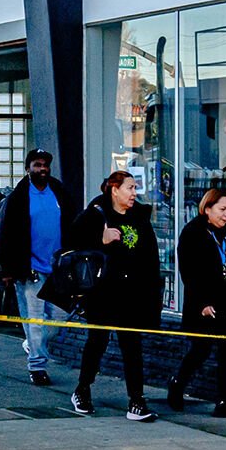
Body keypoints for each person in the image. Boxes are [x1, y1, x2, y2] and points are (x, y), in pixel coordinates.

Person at [69, 170, 162, 421]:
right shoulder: (96, 213)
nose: (134, 193)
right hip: (103, 292)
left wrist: (152, 292)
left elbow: (151, 256)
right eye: (130, 188)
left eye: (135, 189)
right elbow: (72, 240)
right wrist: (100, 238)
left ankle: (136, 401)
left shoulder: (140, 218)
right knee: (97, 342)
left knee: (132, 347)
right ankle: (83, 389)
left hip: (132, 293)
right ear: (114, 190)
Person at [0, 148, 76, 385]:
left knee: (59, 317)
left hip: (59, 268)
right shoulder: (18, 197)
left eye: (45, 165)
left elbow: (73, 223)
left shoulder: (59, 192)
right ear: (28, 167)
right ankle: (37, 367)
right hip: (30, 270)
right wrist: (8, 271)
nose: (42, 169)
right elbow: (5, 235)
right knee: (35, 319)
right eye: (37, 165)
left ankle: (32, 344)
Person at [169, 189, 226, 419]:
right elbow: (189, 272)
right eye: (222, 210)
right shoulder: (193, 233)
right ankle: (177, 383)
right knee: (201, 349)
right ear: (207, 209)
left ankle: (224, 401)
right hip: (203, 301)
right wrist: (201, 303)